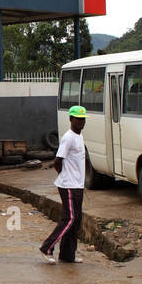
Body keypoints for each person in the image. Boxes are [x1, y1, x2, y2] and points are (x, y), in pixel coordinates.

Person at [40, 106, 87, 264]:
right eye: (78, 119)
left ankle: (67, 255)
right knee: (70, 218)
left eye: (83, 119)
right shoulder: (68, 137)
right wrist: (65, 176)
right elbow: (57, 161)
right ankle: (47, 248)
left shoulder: (79, 136)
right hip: (68, 185)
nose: (81, 122)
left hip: (78, 185)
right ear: (70, 119)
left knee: (77, 220)